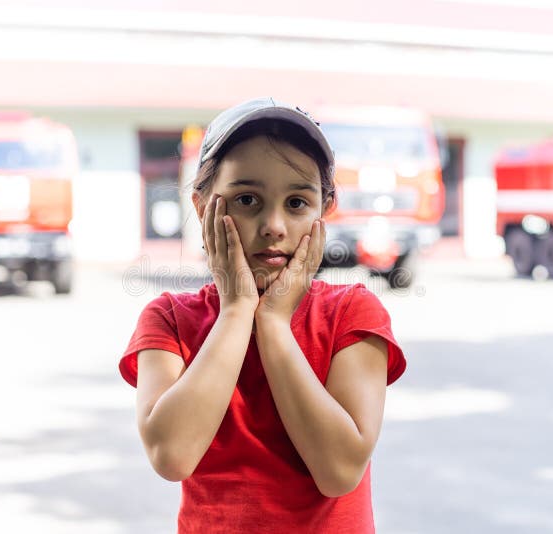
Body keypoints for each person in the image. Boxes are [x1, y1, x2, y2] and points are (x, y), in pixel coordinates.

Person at [118, 97, 406, 533]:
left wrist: (273, 323)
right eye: (248, 199)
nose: (274, 225)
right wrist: (237, 311)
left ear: (324, 212)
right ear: (203, 208)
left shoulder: (353, 313)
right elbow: (171, 455)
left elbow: (339, 471)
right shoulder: (169, 319)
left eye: (296, 203)